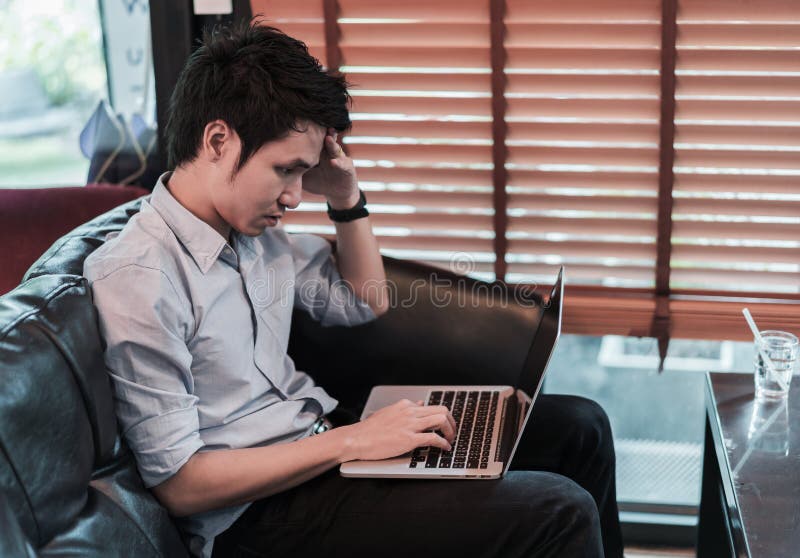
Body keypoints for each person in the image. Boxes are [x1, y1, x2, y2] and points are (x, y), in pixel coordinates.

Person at [84, 20, 623, 558]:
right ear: (218, 140)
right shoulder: (139, 276)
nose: (295, 197)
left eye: (305, 173)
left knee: (581, 428)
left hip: (324, 443)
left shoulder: (253, 235)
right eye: (284, 170)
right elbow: (182, 484)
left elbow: (368, 300)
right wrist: (357, 441)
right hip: (256, 517)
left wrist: (346, 196)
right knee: (561, 510)